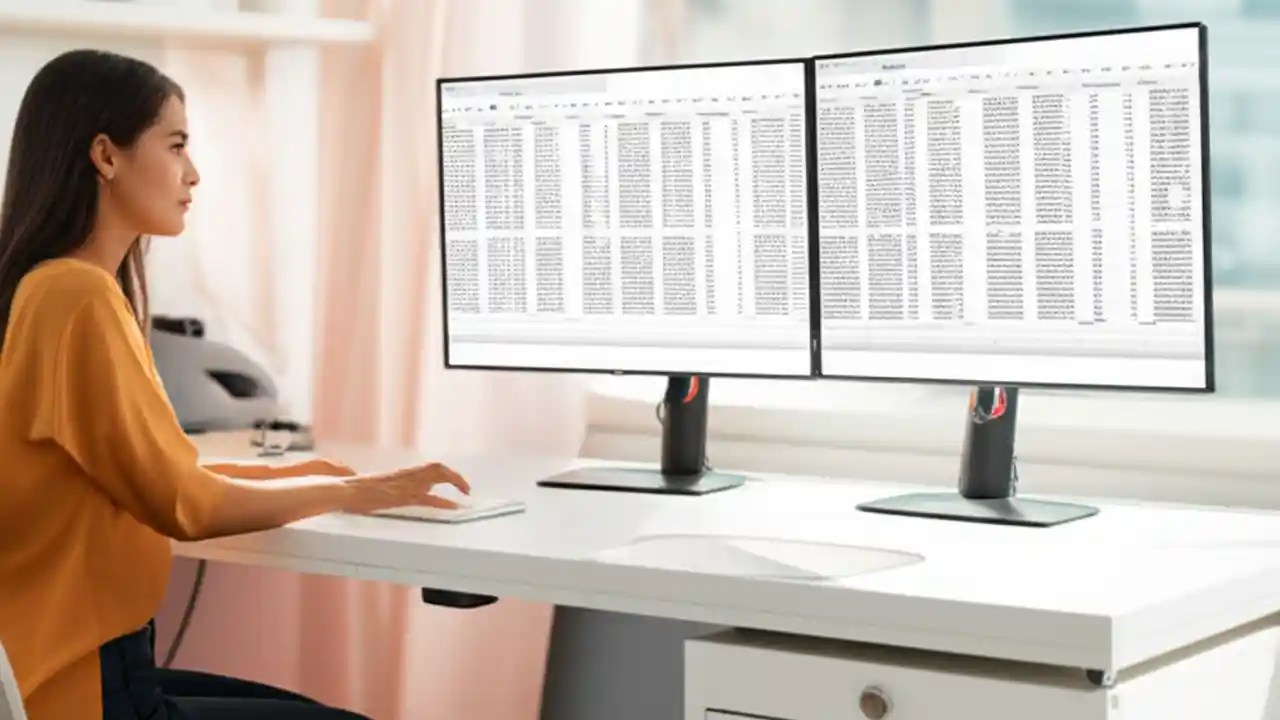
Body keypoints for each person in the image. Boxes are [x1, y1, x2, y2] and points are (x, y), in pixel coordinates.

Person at [0, 49, 470, 720]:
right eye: (176, 144)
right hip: (82, 691)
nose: (193, 173)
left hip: (83, 670)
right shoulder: (75, 296)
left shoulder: (47, 287)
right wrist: (345, 490)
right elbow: (183, 505)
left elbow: (152, 473)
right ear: (106, 155)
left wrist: (299, 477)